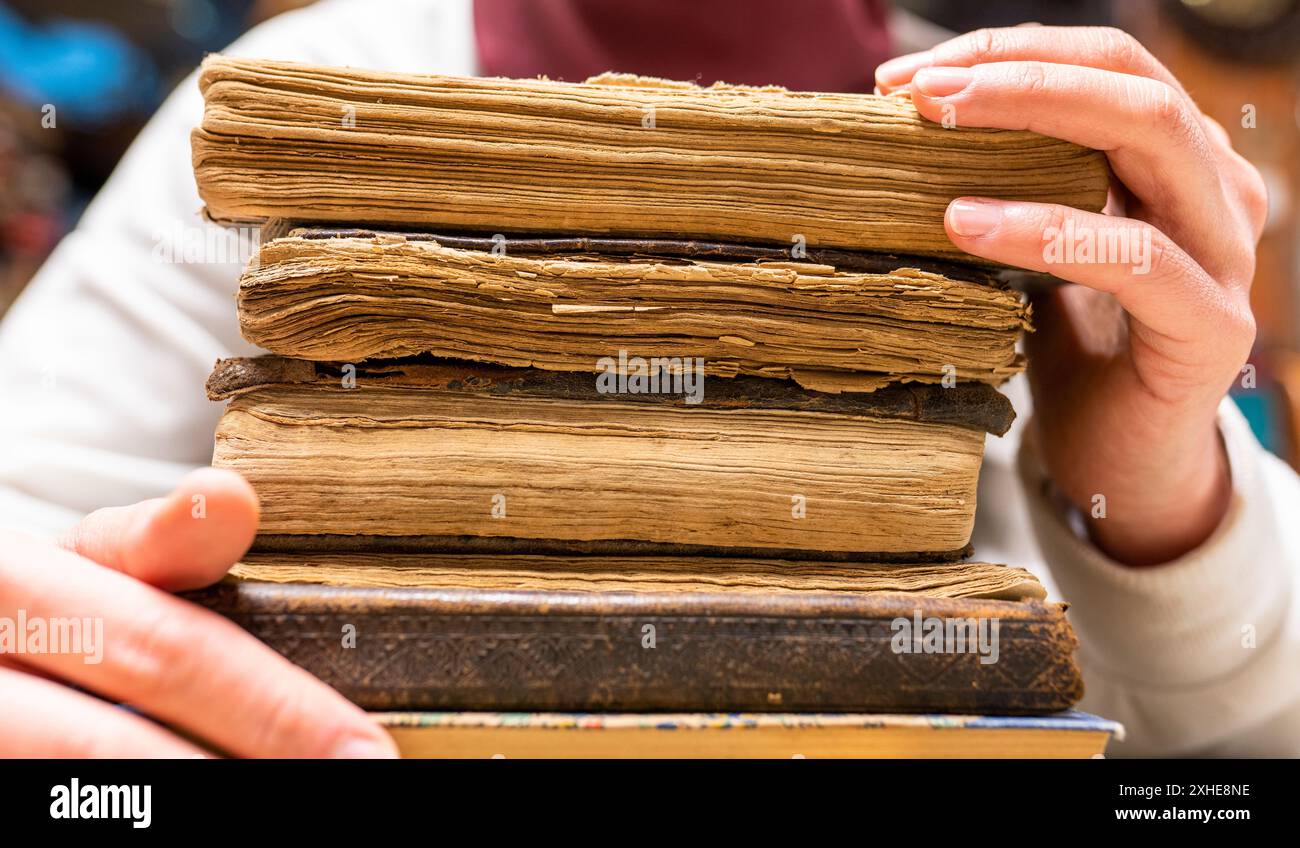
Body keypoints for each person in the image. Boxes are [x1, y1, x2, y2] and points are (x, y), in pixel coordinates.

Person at [0, 0, 1292, 757]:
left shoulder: (1054, 146)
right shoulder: (319, 93)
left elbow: (1227, 745)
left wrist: (1155, 492)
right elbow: (28, 536)